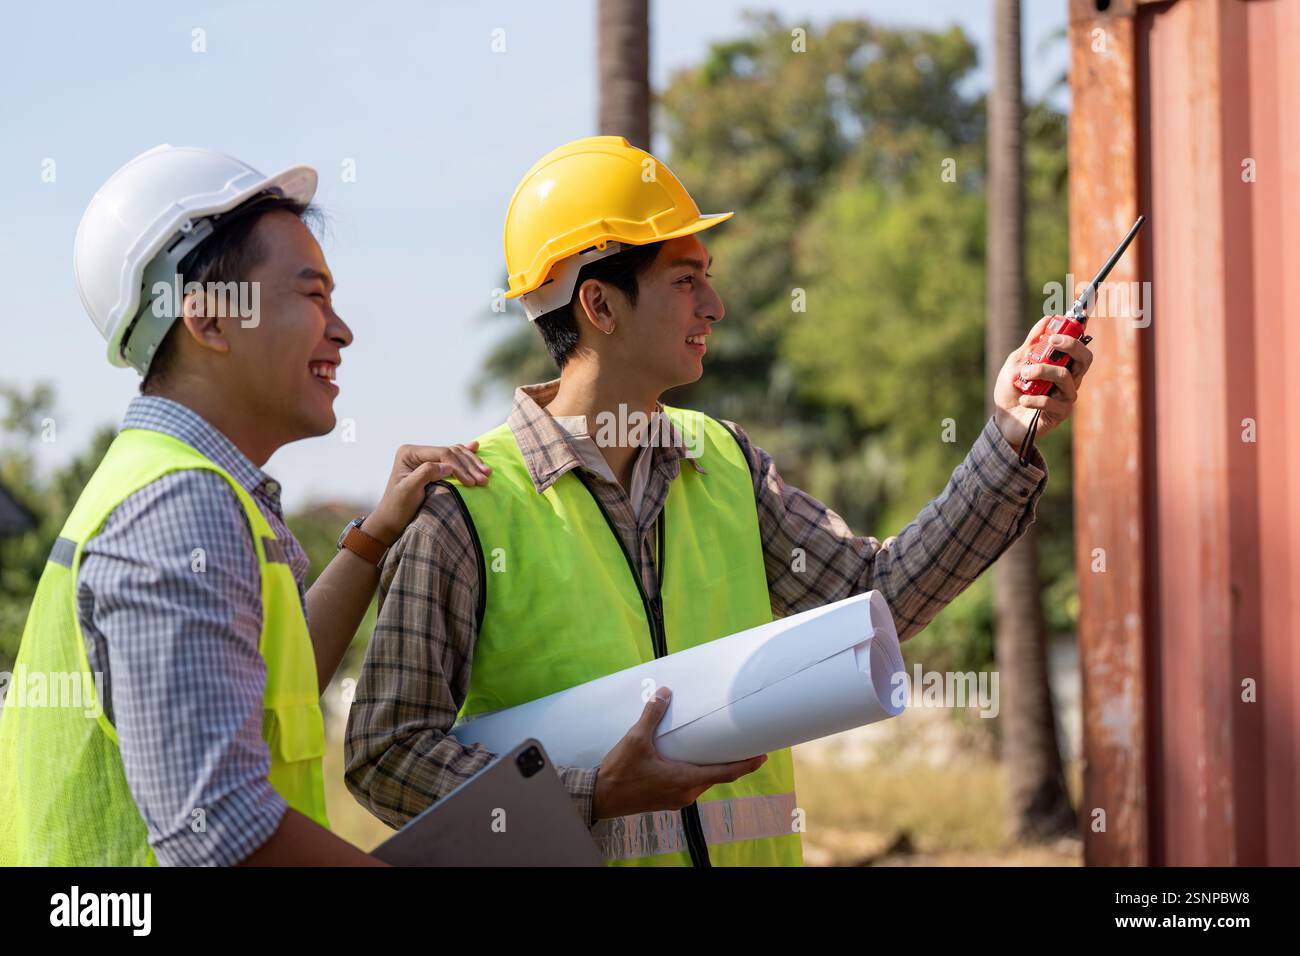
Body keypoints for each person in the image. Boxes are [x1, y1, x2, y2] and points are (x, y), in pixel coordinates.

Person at [345, 136, 1089, 866]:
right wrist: (590, 793)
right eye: (685, 280)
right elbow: (386, 753)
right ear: (599, 304)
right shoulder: (465, 508)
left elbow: (877, 598)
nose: (716, 305)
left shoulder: (724, 461)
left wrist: (1008, 434)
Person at [0, 145, 490, 866]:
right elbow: (221, 830)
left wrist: (370, 541)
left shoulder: (185, 486)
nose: (343, 329)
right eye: (312, 294)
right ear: (209, 321)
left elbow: (269, 697)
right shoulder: (177, 505)